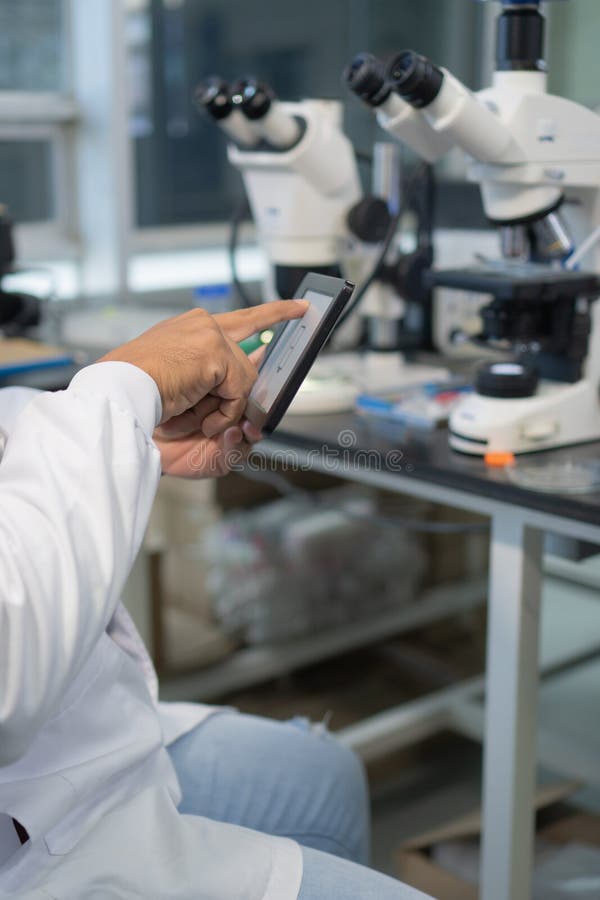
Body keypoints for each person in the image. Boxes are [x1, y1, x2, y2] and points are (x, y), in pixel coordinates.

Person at [0, 301, 430, 899]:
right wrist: (121, 387)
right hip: (28, 833)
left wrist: (126, 433)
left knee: (322, 773)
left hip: (63, 738)